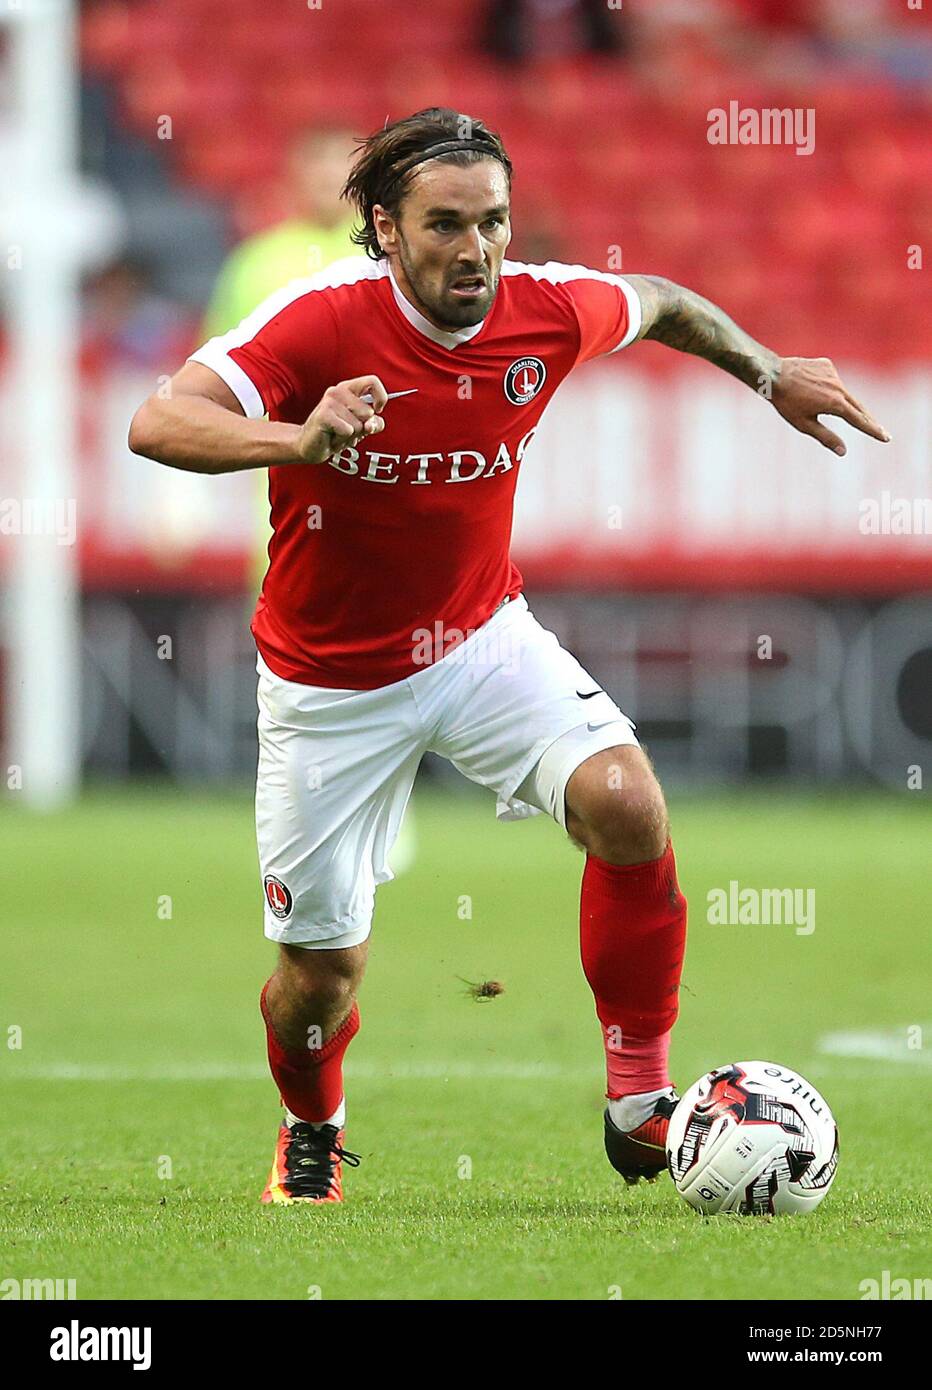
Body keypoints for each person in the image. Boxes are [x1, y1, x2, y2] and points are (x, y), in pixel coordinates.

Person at [129, 107, 890, 1205]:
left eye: (491, 221)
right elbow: (159, 420)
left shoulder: (541, 309)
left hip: (480, 638)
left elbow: (665, 303)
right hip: (328, 682)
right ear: (384, 229)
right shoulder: (315, 324)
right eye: (444, 224)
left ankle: (636, 1105)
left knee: (625, 803)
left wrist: (766, 371)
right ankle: (310, 1126)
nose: (474, 249)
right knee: (319, 977)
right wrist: (296, 439)